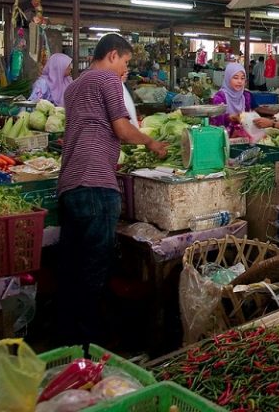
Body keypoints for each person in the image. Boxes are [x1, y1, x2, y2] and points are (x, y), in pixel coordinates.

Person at [56, 34, 168, 346]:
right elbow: (121, 127)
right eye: (126, 63)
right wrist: (150, 142)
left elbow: (92, 128)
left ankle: (66, 343)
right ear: (113, 55)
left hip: (69, 186)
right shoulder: (107, 79)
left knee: (72, 269)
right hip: (96, 187)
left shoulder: (74, 86)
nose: (125, 70)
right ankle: (91, 349)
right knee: (95, 273)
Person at [209, 62, 254, 139]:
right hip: (223, 140)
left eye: (242, 78)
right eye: (235, 78)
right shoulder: (219, 97)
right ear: (228, 78)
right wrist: (230, 117)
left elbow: (248, 120)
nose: (239, 81)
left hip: (242, 139)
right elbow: (215, 123)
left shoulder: (246, 96)